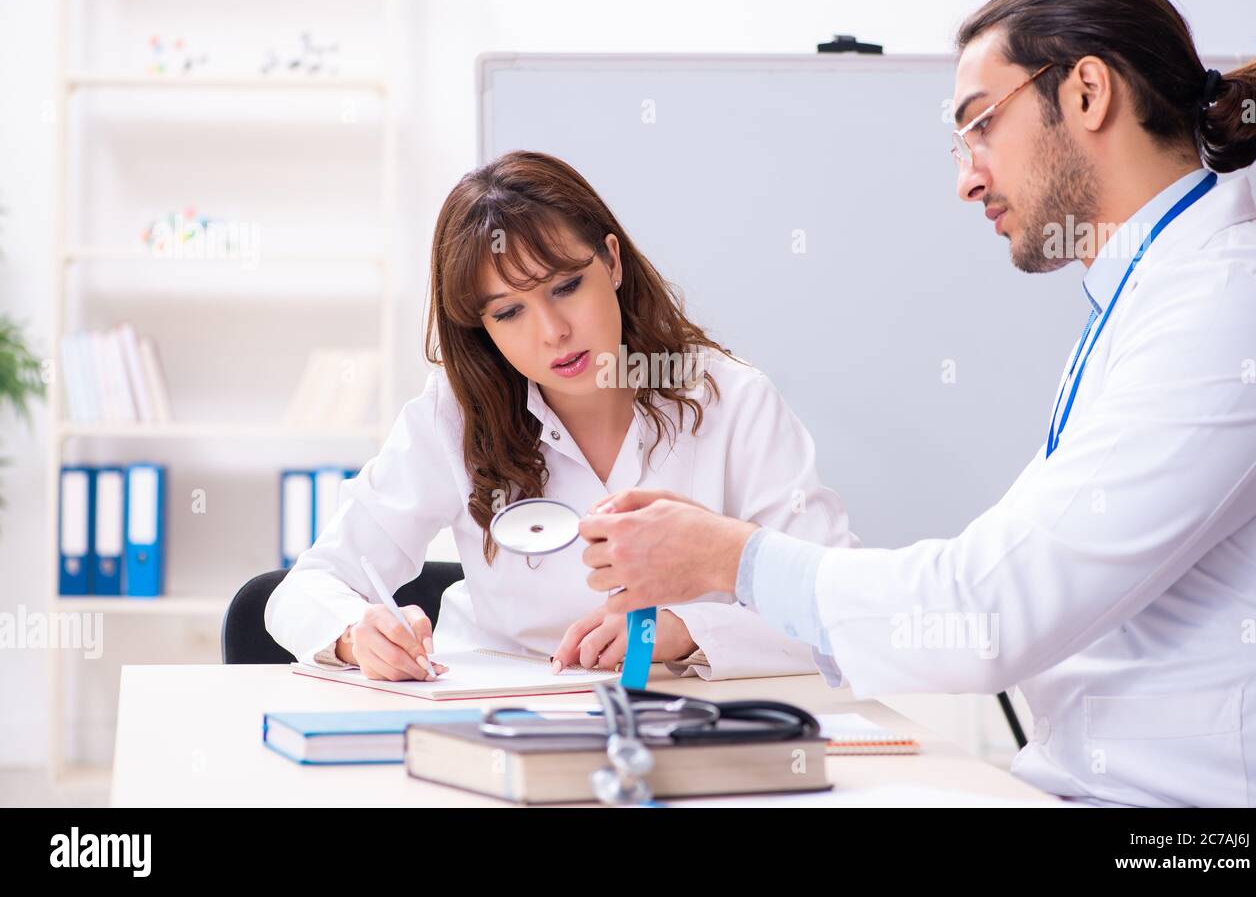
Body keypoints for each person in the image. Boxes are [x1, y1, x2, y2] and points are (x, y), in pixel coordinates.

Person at [577, 0, 1256, 807]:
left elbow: (990, 611)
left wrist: (729, 557)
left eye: (981, 126)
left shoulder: (1232, 308)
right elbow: (990, 585)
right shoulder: (1149, 302)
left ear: (1088, 93)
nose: (967, 178)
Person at [265, 150, 857, 683]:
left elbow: (836, 602)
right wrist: (352, 634)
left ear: (614, 262)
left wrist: (678, 632)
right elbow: (305, 587)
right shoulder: (452, 415)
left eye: (567, 286)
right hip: (496, 719)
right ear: (482, 329)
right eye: (508, 312)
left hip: (679, 722)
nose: (553, 333)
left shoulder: (728, 399)